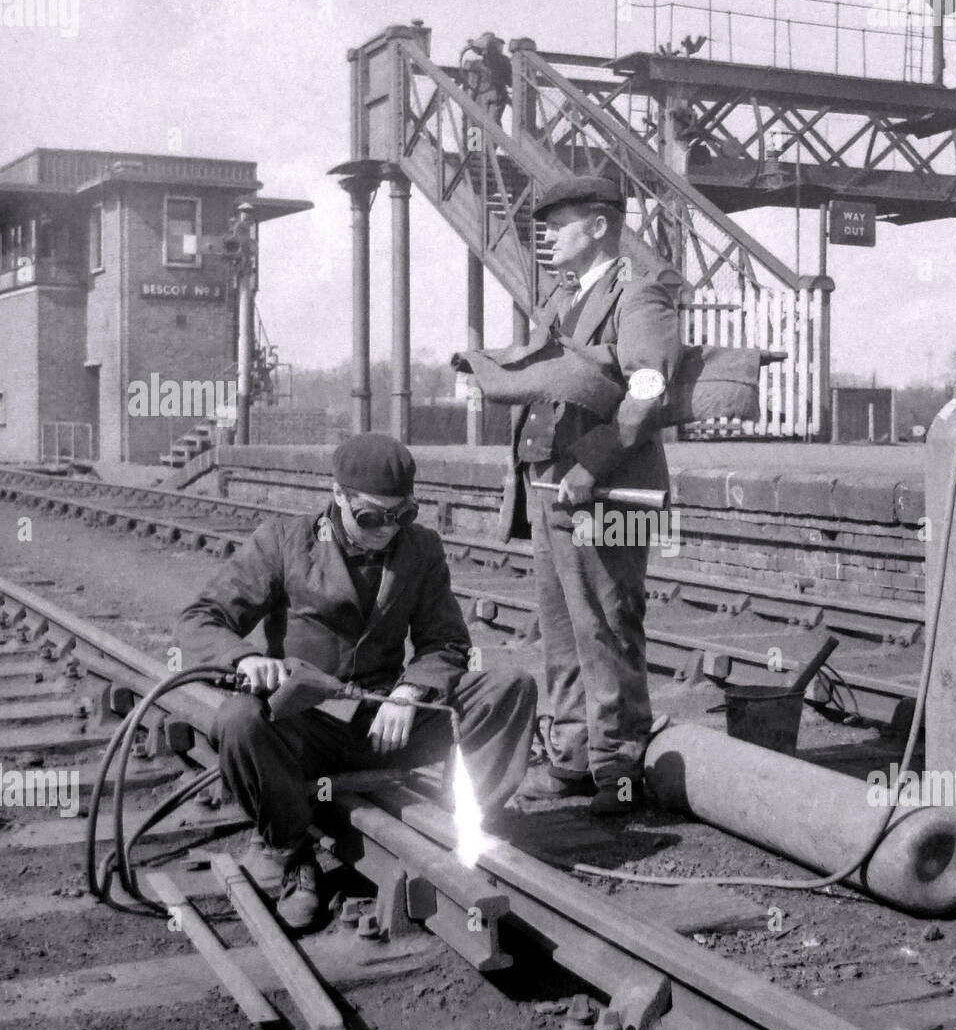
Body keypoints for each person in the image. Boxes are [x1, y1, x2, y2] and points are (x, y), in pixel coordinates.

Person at [176, 433, 537, 929]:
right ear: (338, 496)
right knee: (239, 720)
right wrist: (243, 660)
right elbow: (201, 618)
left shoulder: (421, 549)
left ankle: (466, 825)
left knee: (510, 687)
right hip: (303, 730)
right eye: (371, 517)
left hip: (383, 723)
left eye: (400, 515)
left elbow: (447, 642)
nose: (386, 530)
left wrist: (410, 693)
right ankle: (288, 849)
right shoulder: (283, 542)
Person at [503, 175, 685, 815]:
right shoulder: (559, 301)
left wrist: (593, 463)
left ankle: (620, 767)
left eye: (558, 224)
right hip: (547, 486)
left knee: (608, 624)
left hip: (606, 491)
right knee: (561, 628)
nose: (545, 236)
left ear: (600, 226)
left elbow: (646, 390)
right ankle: (574, 755)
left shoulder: (641, 296)